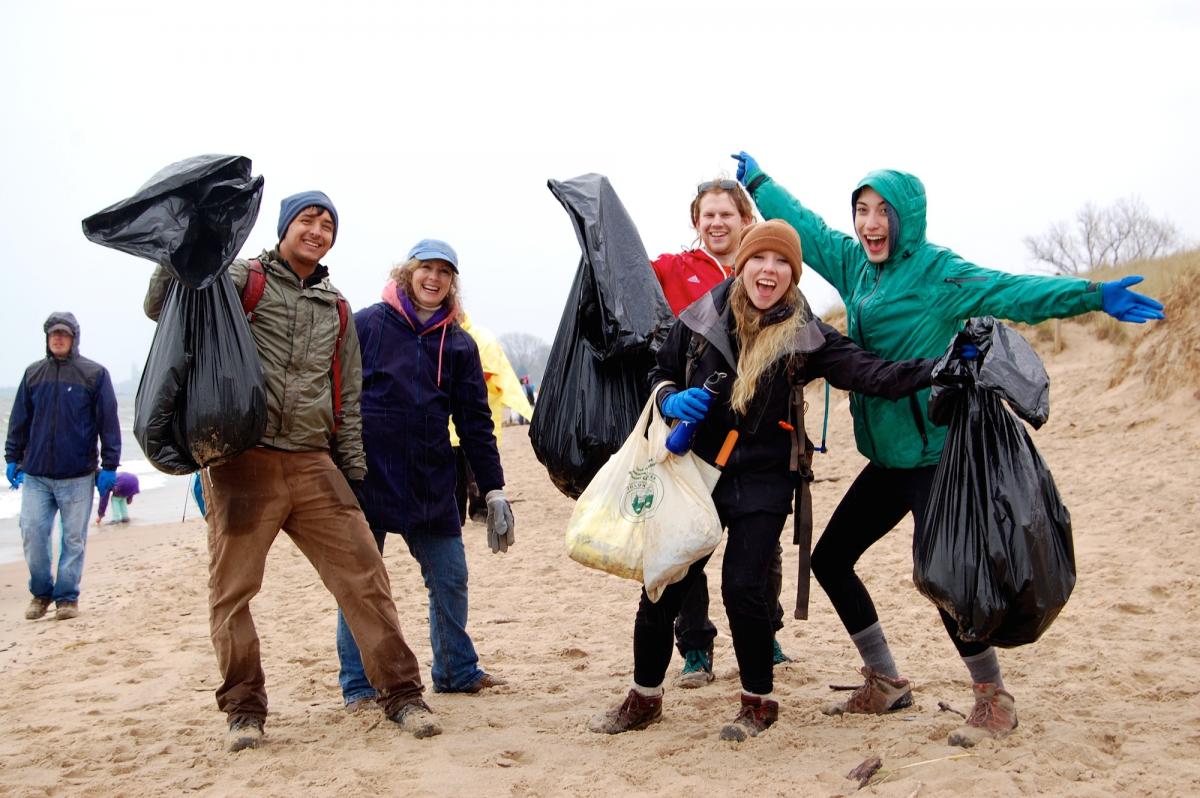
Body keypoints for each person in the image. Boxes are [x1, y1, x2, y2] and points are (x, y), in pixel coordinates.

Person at [732, 151, 1166, 747]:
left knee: (950, 574)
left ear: (908, 217)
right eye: (862, 210)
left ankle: (993, 696)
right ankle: (885, 680)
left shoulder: (939, 272)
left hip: (937, 453)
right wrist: (759, 184)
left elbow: (1011, 290)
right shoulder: (856, 266)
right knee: (831, 560)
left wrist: (1092, 295)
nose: (870, 223)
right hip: (886, 456)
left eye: (883, 211)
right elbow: (806, 227)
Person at [589, 220, 937, 742]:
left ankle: (758, 702)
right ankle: (644, 697)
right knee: (662, 584)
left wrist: (941, 367)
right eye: (759, 260)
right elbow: (658, 370)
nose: (768, 271)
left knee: (745, 586)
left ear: (792, 276)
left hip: (763, 477)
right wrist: (668, 398)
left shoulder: (804, 332)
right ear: (742, 264)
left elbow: (873, 374)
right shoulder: (703, 313)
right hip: (694, 473)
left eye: (781, 264)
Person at [144, 191, 439, 751]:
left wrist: (351, 467)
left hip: (311, 460)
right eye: (308, 219)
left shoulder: (337, 306)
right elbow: (164, 305)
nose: (318, 230)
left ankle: (401, 696)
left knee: (365, 578)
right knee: (232, 593)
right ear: (285, 227)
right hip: (243, 461)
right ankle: (244, 710)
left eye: (328, 224)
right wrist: (184, 245)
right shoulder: (240, 278)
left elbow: (347, 392)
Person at [335, 238, 515, 706]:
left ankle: (456, 669)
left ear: (453, 282)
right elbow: (333, 395)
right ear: (407, 272)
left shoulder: (458, 343)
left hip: (431, 480)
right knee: (360, 585)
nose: (434, 278)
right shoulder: (367, 325)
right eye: (426, 268)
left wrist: (493, 489)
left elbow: (475, 422)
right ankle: (359, 684)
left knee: (450, 578)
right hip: (365, 478)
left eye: (444, 272)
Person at [650, 177, 790, 689]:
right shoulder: (675, 268)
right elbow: (623, 278)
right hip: (698, 439)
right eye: (707, 215)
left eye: (726, 214)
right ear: (695, 223)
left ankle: (766, 633)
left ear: (744, 220)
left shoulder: (765, 267)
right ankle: (696, 648)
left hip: (758, 445)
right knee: (690, 549)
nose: (716, 223)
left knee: (761, 554)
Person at [5, 312, 120, 622]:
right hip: (37, 474)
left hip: (78, 475)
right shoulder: (33, 374)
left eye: (64, 334)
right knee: (33, 532)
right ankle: (41, 593)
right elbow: (19, 419)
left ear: (74, 338)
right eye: (53, 334)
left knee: (73, 539)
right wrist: (12, 458)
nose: (57, 338)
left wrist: (109, 466)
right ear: (47, 338)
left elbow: (108, 422)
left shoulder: (94, 374)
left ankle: (67, 598)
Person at [449, 312, 533, 524]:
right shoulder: (440, 336)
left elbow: (488, 372)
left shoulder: (481, 337)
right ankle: (455, 515)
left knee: (477, 470)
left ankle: (480, 510)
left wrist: (456, 377)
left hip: (477, 417)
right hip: (447, 424)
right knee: (453, 474)